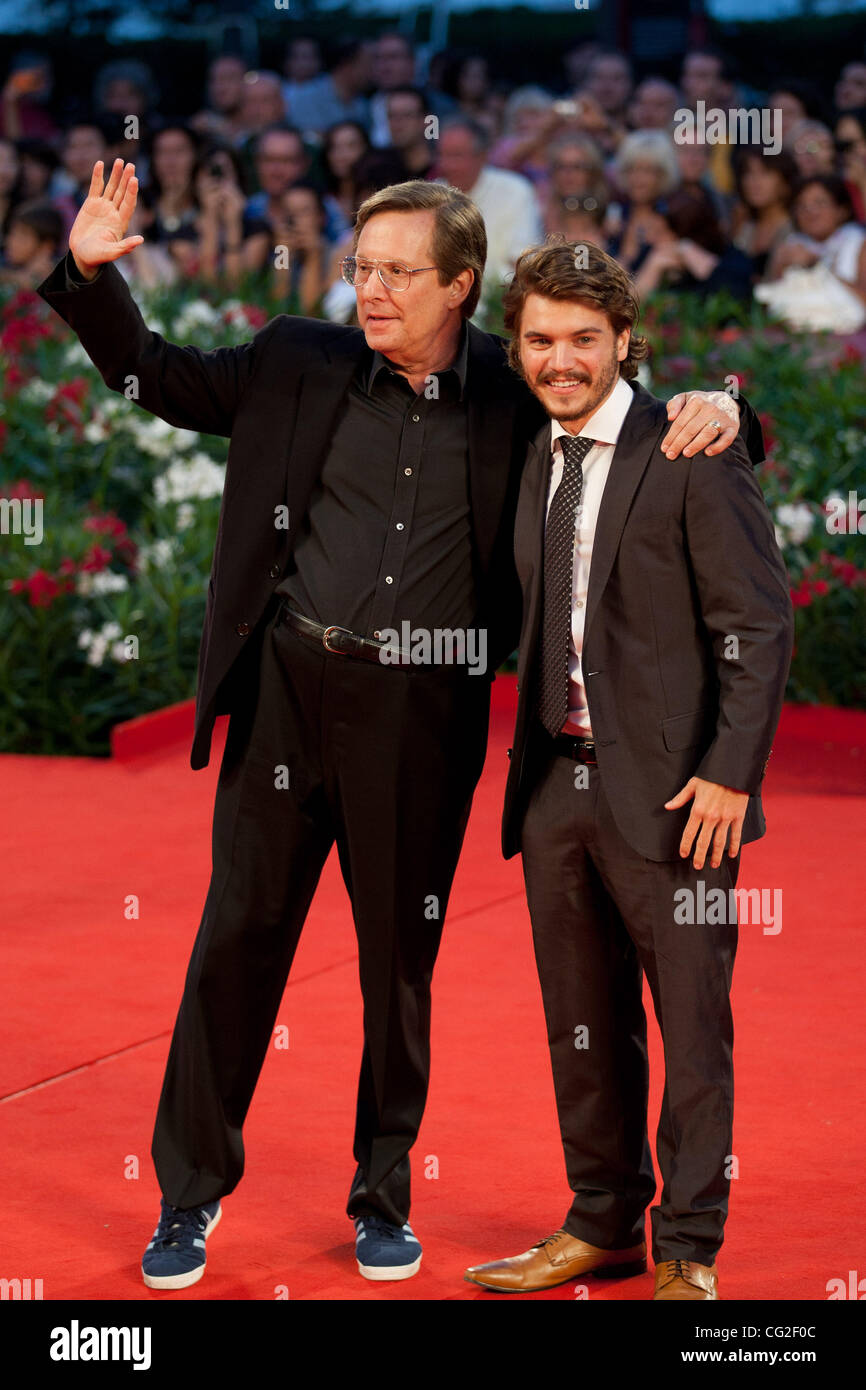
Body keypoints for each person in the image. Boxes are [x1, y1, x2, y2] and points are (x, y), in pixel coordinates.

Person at [37, 159, 757, 1293]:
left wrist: (727, 405)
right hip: (287, 691)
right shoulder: (294, 360)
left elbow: (614, 401)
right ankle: (187, 1199)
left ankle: (381, 1195)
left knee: (396, 964)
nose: (369, 290)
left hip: (421, 714)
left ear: (459, 285)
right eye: (360, 267)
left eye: (397, 273)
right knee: (236, 942)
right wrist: (88, 274)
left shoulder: (511, 389)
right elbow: (150, 372)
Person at [464, 239, 794, 1299]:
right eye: (539, 341)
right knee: (581, 1019)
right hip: (553, 781)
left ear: (623, 342)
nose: (560, 361)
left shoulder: (688, 446)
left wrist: (729, 774)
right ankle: (598, 1219)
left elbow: (757, 622)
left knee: (691, 1025)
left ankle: (687, 1249)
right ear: (514, 349)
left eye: (581, 340)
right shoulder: (527, 443)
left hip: (674, 793)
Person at [435, 115, 543, 312]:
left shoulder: (515, 191)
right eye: (443, 155)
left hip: (501, 309)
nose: (447, 165)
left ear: (482, 156)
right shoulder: (430, 198)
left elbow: (523, 262)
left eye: (457, 156)